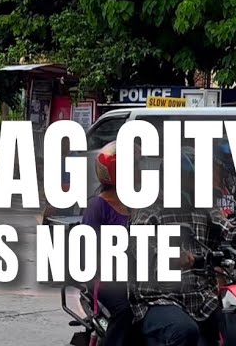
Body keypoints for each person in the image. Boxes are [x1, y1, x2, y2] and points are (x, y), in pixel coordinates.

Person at [128, 148, 236, 346]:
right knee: (184, 331)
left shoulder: (203, 205)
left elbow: (230, 230)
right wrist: (172, 257)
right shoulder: (149, 209)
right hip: (159, 299)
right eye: (193, 179)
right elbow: (142, 246)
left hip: (201, 298)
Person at [81, 143, 133, 346]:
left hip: (136, 275)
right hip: (104, 277)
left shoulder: (137, 204)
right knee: (125, 311)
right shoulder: (97, 205)